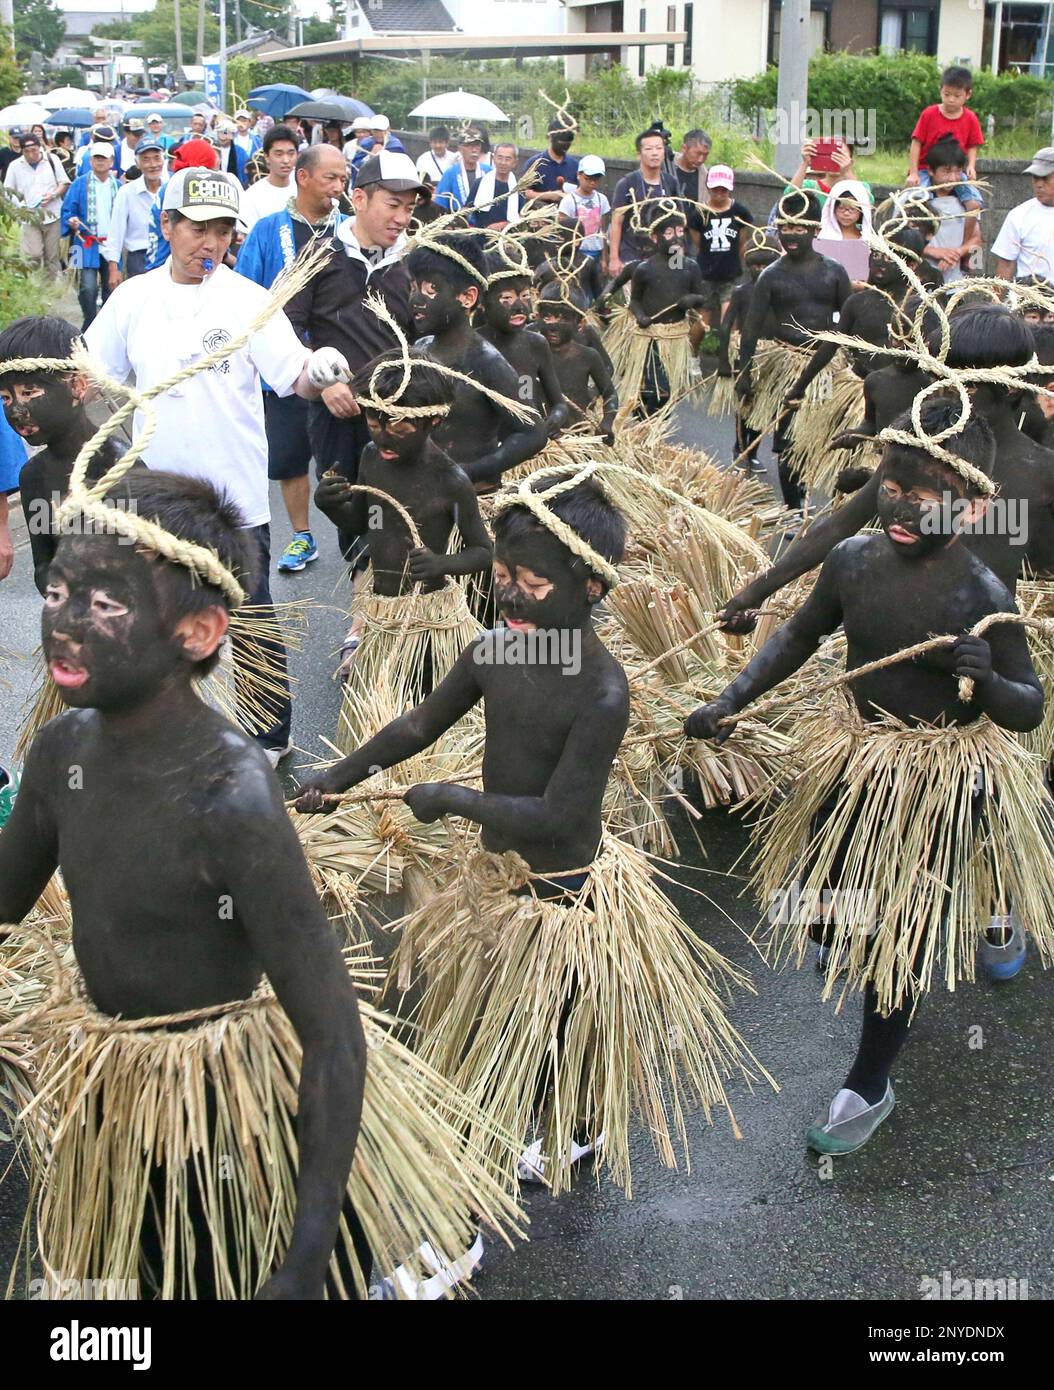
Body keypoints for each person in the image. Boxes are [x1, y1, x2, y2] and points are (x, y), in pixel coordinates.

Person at [295, 468, 763, 1196]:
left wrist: (453, 798)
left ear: (592, 589)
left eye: (531, 583)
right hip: (501, 877)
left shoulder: (603, 692)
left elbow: (557, 817)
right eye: (503, 574)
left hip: (563, 895)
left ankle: (576, 1130)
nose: (507, 593)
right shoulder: (496, 652)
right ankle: (525, 1116)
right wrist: (340, 776)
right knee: (506, 1012)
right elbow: (419, 723)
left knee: (555, 1022)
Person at [0, 464, 371, 1298]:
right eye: (58, 593)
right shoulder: (61, 756)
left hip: (219, 1116)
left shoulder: (233, 797)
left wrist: (309, 1252)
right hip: (112, 1096)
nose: (65, 625)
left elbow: (334, 1036)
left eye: (105, 605)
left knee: (203, 1268)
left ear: (199, 633)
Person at [685, 400, 1044, 1154]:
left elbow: (1029, 708)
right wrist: (731, 700)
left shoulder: (982, 595)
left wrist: (989, 679)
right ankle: (845, 932)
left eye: (929, 496)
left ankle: (869, 1081)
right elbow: (799, 636)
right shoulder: (852, 562)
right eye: (893, 487)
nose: (904, 506)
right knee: (818, 903)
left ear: (977, 505)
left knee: (897, 936)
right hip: (855, 759)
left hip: (936, 782)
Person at [82, 166, 341, 766]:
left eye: (224, 231)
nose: (211, 243)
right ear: (167, 227)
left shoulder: (250, 301)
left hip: (235, 502)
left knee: (249, 619)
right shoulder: (133, 299)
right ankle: (154, 734)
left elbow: (293, 376)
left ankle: (270, 742)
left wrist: (320, 369)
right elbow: (91, 375)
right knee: (154, 619)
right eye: (198, 228)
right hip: (155, 505)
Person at [313, 352, 492, 714]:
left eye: (398, 427)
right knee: (385, 706)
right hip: (383, 612)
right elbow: (361, 525)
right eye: (374, 423)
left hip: (430, 618)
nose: (383, 437)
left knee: (429, 707)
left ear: (434, 421)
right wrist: (330, 506)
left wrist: (442, 564)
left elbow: (484, 552)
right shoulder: (370, 457)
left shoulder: (450, 481)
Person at [284, 150, 420, 592]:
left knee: (400, 510)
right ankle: (365, 616)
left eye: (409, 208)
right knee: (349, 506)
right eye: (392, 205)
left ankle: (380, 620)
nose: (401, 218)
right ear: (359, 199)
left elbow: (426, 334)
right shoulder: (320, 254)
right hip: (336, 414)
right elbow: (285, 326)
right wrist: (320, 379)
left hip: (397, 414)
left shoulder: (413, 261)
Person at [237, 144, 348, 575]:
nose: (338, 187)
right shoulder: (268, 231)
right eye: (330, 178)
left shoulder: (347, 232)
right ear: (303, 177)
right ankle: (302, 535)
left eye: (343, 179)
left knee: (342, 459)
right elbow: (245, 292)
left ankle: (358, 540)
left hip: (339, 366)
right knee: (288, 457)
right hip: (282, 367)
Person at [406, 229, 548, 489]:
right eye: (413, 288)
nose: (416, 300)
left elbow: (533, 433)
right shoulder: (419, 350)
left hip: (473, 502)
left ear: (468, 297)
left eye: (431, 289)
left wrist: (467, 473)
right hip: (424, 498)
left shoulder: (484, 361)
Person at [736, 189, 851, 507]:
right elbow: (751, 328)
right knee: (786, 440)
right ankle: (792, 506)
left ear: (816, 230)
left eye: (800, 229)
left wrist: (848, 362)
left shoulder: (835, 272)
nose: (791, 236)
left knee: (814, 438)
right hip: (784, 364)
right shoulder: (771, 276)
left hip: (826, 365)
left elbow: (848, 321)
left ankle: (814, 499)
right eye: (785, 228)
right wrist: (745, 373)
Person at [0, 316, 120, 593]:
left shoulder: (120, 466)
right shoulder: (34, 477)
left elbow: (141, 564)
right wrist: (60, 590)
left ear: (78, 385)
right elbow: (44, 564)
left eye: (29, 392)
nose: (17, 410)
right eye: (6, 398)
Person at [479, 254, 568, 433]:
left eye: (525, 296)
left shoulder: (536, 344)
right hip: (488, 448)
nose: (520, 306)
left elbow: (559, 403)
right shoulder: (473, 346)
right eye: (507, 299)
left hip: (527, 445)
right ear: (482, 302)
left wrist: (555, 418)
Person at [535, 283, 618, 441]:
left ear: (580, 324)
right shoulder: (529, 353)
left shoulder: (588, 356)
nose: (553, 325)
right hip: (539, 441)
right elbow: (520, 394)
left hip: (578, 438)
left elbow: (610, 394)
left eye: (563, 318)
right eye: (548, 317)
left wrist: (606, 422)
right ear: (537, 317)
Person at [61, 143, 120, 330]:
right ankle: (90, 320)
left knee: (112, 287)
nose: (100, 162)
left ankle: (106, 324)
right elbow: (67, 210)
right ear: (91, 160)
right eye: (96, 158)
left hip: (112, 243)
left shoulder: (119, 186)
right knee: (87, 287)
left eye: (104, 158)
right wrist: (71, 220)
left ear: (111, 161)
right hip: (85, 242)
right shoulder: (79, 183)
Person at [608, 128, 680, 277]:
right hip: (632, 253)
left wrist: (677, 258)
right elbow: (616, 222)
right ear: (639, 153)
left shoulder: (670, 182)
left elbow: (678, 223)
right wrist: (614, 258)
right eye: (649, 149)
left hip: (664, 254)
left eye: (659, 148)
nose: (655, 153)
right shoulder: (627, 183)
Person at [907, 64, 984, 196]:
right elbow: (916, 143)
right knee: (917, 199)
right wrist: (913, 173)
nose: (951, 100)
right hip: (925, 169)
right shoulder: (929, 114)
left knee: (974, 201)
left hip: (955, 173)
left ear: (968, 94)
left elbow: (973, 145)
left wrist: (971, 166)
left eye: (957, 96)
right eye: (947, 94)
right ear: (940, 90)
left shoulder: (971, 118)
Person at [3, 130, 69, 279]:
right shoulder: (15, 166)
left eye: (34, 150)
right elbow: (8, 191)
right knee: (33, 254)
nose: (31, 154)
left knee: (52, 256)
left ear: (39, 147)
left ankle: (50, 289)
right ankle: (35, 286)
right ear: (22, 151)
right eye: (27, 151)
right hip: (29, 217)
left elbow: (64, 182)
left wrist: (53, 195)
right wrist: (21, 206)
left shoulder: (52, 160)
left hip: (53, 214)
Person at [690, 164, 750, 328]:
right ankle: (694, 350)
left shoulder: (740, 212)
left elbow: (742, 241)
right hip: (705, 273)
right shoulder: (699, 214)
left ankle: (729, 350)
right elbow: (698, 242)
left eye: (723, 189)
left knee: (729, 315)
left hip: (730, 273)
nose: (719, 193)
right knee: (703, 317)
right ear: (708, 187)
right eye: (715, 189)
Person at [916, 138, 982, 286]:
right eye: (946, 171)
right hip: (919, 284)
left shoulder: (967, 201)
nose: (952, 178)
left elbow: (977, 239)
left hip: (955, 285)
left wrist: (956, 253)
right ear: (931, 170)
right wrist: (934, 252)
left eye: (957, 171)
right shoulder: (915, 200)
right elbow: (897, 239)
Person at [106, 139, 167, 287]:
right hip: (139, 258)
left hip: (168, 255)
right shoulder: (127, 192)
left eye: (156, 158)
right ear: (137, 163)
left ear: (163, 160)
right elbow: (116, 231)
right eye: (146, 160)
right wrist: (114, 268)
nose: (153, 165)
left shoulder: (171, 188)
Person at [992, 146, 1054, 282]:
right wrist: (994, 301)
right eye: (1035, 178)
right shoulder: (1019, 215)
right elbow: (1006, 264)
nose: (1039, 185)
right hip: (1031, 297)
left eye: (1045, 178)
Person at [238, 125, 298, 235]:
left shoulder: (305, 188)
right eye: (279, 154)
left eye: (291, 153)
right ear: (266, 156)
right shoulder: (252, 197)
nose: (286, 160)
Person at [557, 155, 610, 263]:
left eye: (596, 179)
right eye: (588, 179)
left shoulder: (602, 199)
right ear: (578, 175)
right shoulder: (569, 201)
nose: (592, 183)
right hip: (576, 252)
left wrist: (605, 258)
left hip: (597, 250)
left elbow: (603, 229)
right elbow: (561, 231)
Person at [522, 115, 579, 207]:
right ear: (550, 138)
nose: (565, 146)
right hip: (540, 214)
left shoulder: (575, 165)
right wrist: (547, 195)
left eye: (568, 143)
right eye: (560, 142)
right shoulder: (535, 163)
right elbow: (523, 192)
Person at [433, 128, 490, 214]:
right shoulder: (451, 174)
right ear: (460, 148)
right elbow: (440, 204)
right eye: (470, 146)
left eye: (477, 145)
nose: (474, 150)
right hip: (458, 223)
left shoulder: (489, 172)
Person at [468, 142, 521, 229]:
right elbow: (468, 209)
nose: (503, 162)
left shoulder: (519, 188)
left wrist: (503, 225)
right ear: (493, 159)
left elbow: (520, 217)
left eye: (508, 159)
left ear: (515, 162)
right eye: (499, 158)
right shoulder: (479, 183)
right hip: (479, 236)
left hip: (507, 237)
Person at [672, 128, 710, 206]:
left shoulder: (704, 176)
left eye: (705, 155)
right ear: (684, 148)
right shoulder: (667, 164)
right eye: (698, 153)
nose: (701, 160)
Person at [214, 119, 250, 186]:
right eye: (220, 132)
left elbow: (246, 172)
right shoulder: (212, 149)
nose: (223, 137)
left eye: (226, 133)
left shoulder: (240, 152)